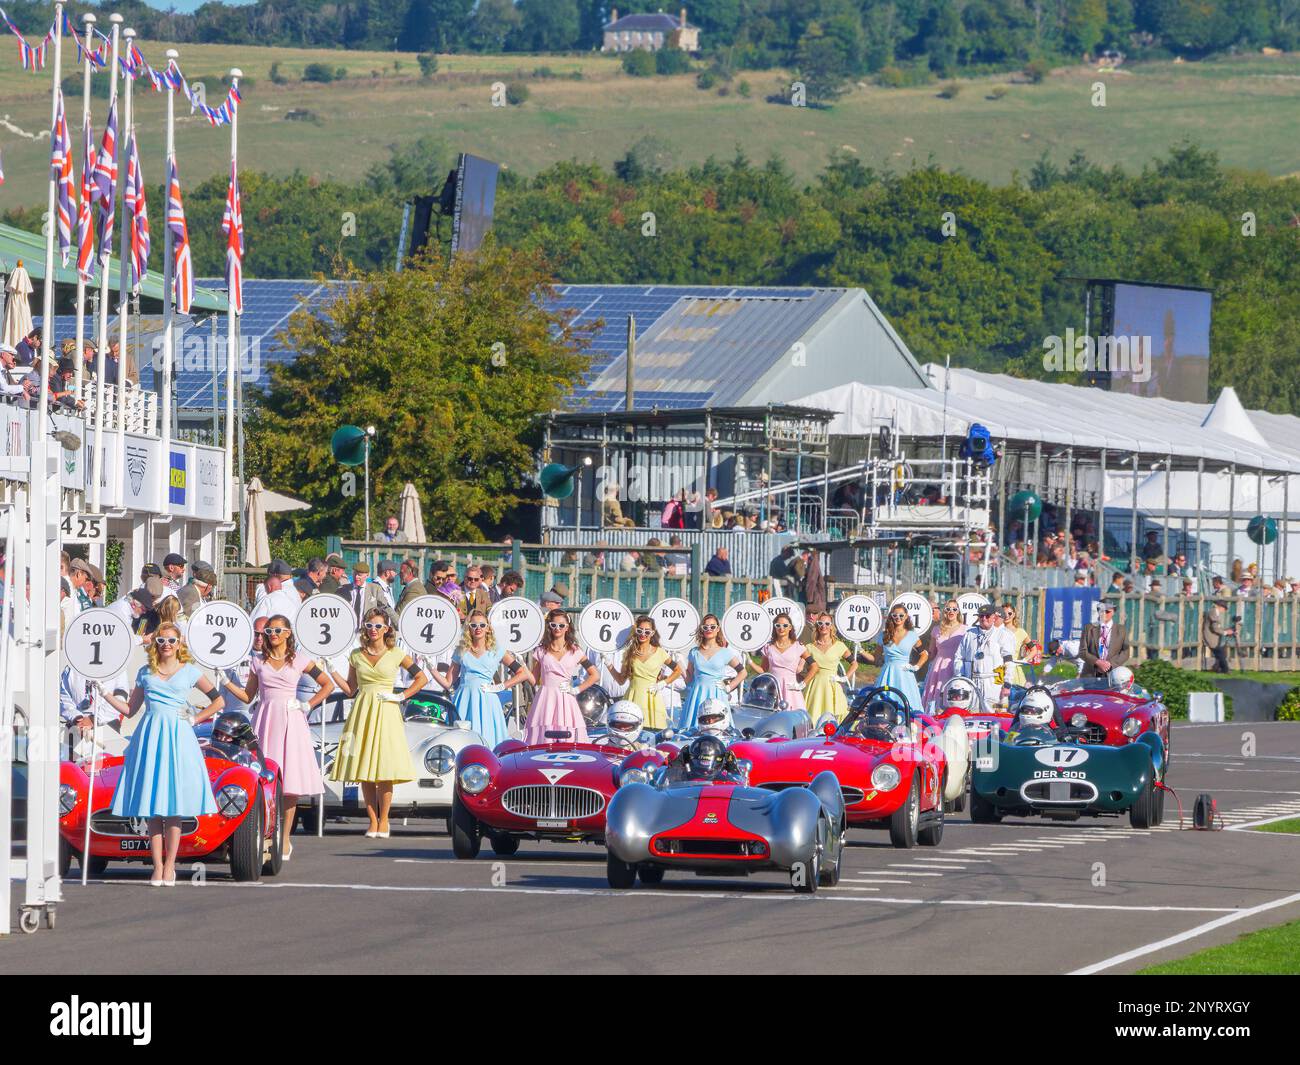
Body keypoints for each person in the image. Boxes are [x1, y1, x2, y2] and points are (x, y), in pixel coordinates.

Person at [100, 624, 224, 886]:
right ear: (155, 643)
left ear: (179, 644)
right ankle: (157, 866)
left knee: (174, 806)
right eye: (161, 639)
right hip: (150, 736)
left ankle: (170, 866)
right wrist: (105, 694)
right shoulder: (145, 672)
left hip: (178, 737)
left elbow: (218, 700)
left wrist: (196, 717)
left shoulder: (190, 671)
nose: (166, 644)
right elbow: (131, 710)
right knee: (153, 807)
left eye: (171, 639)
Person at [221, 614, 333, 858]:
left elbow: (328, 684)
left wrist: (308, 704)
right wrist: (226, 682)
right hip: (265, 719)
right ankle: (264, 835)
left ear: (288, 633)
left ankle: (284, 839)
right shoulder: (258, 662)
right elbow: (248, 696)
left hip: (291, 719)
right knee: (262, 780)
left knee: (290, 783)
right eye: (268, 631)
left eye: (277, 630)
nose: (272, 635)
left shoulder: (300, 660)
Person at [323, 607, 428, 837]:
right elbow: (351, 690)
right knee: (365, 769)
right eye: (369, 625)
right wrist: (332, 671)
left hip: (387, 710)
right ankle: (372, 820)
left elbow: (422, 678)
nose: (373, 630)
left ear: (386, 629)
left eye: (378, 626)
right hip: (363, 710)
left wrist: (401, 695)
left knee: (384, 769)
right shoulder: (356, 654)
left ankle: (385, 820)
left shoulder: (396, 653)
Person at [434, 610, 532, 749]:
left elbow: (522, 673)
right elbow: (447, 682)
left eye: (482, 624)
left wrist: (501, 686)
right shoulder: (461, 650)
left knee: (489, 742)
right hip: (464, 700)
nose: (478, 628)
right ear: (469, 628)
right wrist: (431, 669)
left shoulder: (497, 649)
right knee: (459, 743)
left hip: (487, 701)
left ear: (488, 628)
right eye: (474, 625)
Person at [524, 609, 599, 744]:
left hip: (566, 699)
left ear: (567, 628)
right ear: (549, 627)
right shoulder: (541, 650)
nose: (557, 628)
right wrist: (521, 666)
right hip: (545, 700)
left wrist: (576, 689)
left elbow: (595, 675)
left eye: (561, 625)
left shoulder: (576, 651)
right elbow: (533, 679)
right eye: (554, 625)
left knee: (569, 741)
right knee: (542, 741)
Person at [609, 615, 682, 731]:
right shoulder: (629, 653)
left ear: (652, 633)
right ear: (636, 631)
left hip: (652, 699)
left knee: (653, 735)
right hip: (633, 698)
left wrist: (663, 683)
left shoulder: (660, 652)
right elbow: (621, 680)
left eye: (647, 631)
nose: (643, 634)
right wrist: (609, 665)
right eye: (640, 630)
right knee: (630, 731)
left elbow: (678, 670)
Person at [678, 614, 745, 730]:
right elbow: (689, 679)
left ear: (718, 629)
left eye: (712, 627)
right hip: (697, 695)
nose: (709, 629)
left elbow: (743, 672)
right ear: (702, 629)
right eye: (706, 627)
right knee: (693, 730)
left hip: (718, 694)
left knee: (719, 729)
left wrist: (729, 687)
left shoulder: (725, 652)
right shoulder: (694, 652)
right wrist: (678, 663)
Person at [870, 606, 927, 713]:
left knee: (909, 706)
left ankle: (913, 728)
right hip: (888, 674)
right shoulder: (884, 635)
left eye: (901, 615)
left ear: (906, 617)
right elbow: (875, 658)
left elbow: (924, 654)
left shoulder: (912, 635)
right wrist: (860, 652)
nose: (898, 618)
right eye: (894, 615)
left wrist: (916, 667)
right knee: (883, 708)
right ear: (891, 616)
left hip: (905, 675)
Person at [802, 612, 853, 724]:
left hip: (832, 685)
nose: (823, 626)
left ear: (831, 626)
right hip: (815, 686)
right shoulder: (809, 647)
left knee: (833, 719)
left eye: (827, 623)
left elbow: (854, 664)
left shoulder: (839, 646)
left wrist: (844, 678)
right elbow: (799, 667)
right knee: (813, 716)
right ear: (817, 625)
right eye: (820, 623)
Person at [953, 605, 1006, 710]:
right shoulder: (969, 634)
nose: (984, 619)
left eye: (987, 616)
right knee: (971, 715)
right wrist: (961, 678)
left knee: (994, 716)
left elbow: (1008, 662)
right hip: (972, 683)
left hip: (993, 684)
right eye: (981, 616)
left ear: (994, 617)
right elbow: (958, 657)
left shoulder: (1001, 634)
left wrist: (1006, 684)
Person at [921, 600, 967, 711]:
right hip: (938, 667)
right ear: (944, 611)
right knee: (936, 697)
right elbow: (931, 653)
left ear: (958, 612)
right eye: (948, 609)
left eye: (954, 609)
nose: (951, 611)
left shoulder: (965, 629)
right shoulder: (936, 629)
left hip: (956, 666)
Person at [760, 612, 810, 712]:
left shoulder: (798, 646)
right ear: (774, 627)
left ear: (790, 627)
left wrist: (803, 684)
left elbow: (814, 666)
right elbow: (763, 670)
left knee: (793, 722)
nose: (781, 628)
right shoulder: (768, 647)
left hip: (792, 691)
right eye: (778, 625)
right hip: (773, 689)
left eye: (785, 625)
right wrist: (749, 662)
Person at [1079, 600, 1130, 680]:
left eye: (1107, 611)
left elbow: (1125, 653)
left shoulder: (1121, 630)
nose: (1104, 614)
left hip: (1114, 674)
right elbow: (1082, 651)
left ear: (1113, 612)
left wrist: (1109, 665)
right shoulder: (1088, 628)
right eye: (1101, 611)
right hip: (1090, 674)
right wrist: (1097, 662)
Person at [999, 603, 1031, 687]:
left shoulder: (1021, 632)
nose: (1006, 616)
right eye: (1003, 613)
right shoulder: (996, 631)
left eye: (1009, 613)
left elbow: (1034, 649)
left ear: (1014, 614)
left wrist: (1025, 659)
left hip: (1015, 671)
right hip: (999, 670)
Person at [1202, 600, 1235, 674]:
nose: (1224, 610)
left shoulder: (1214, 612)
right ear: (1221, 607)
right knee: (1220, 654)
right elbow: (1215, 628)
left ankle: (1220, 669)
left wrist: (1226, 631)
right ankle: (1225, 670)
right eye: (1224, 608)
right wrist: (1226, 632)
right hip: (1210, 637)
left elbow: (1216, 627)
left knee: (1220, 654)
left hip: (1213, 636)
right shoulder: (1213, 612)